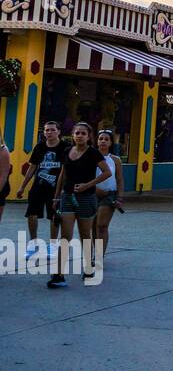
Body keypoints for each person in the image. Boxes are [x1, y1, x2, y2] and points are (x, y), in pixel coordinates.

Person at [47, 122, 112, 287]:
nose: (80, 136)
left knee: (85, 235)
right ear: (72, 135)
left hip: (86, 198)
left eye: (83, 133)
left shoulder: (93, 153)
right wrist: (56, 197)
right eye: (77, 133)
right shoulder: (67, 151)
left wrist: (88, 185)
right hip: (67, 196)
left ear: (89, 136)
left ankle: (89, 268)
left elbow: (107, 172)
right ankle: (58, 274)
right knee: (65, 235)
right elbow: (63, 174)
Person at [16, 121, 65, 260]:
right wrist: (22, 186)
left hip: (55, 188)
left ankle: (53, 246)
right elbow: (32, 167)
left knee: (54, 216)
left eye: (52, 130)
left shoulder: (65, 148)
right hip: (38, 186)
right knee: (31, 214)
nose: (49, 132)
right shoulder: (39, 147)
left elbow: (68, 169)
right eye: (46, 130)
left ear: (59, 132)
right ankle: (33, 245)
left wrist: (65, 188)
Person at [92, 130, 124, 267]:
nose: (103, 141)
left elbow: (119, 179)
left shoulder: (115, 160)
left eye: (106, 139)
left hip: (109, 194)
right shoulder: (91, 157)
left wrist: (120, 197)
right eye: (100, 139)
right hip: (91, 193)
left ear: (111, 142)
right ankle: (95, 252)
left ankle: (99, 256)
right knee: (92, 226)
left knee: (102, 225)